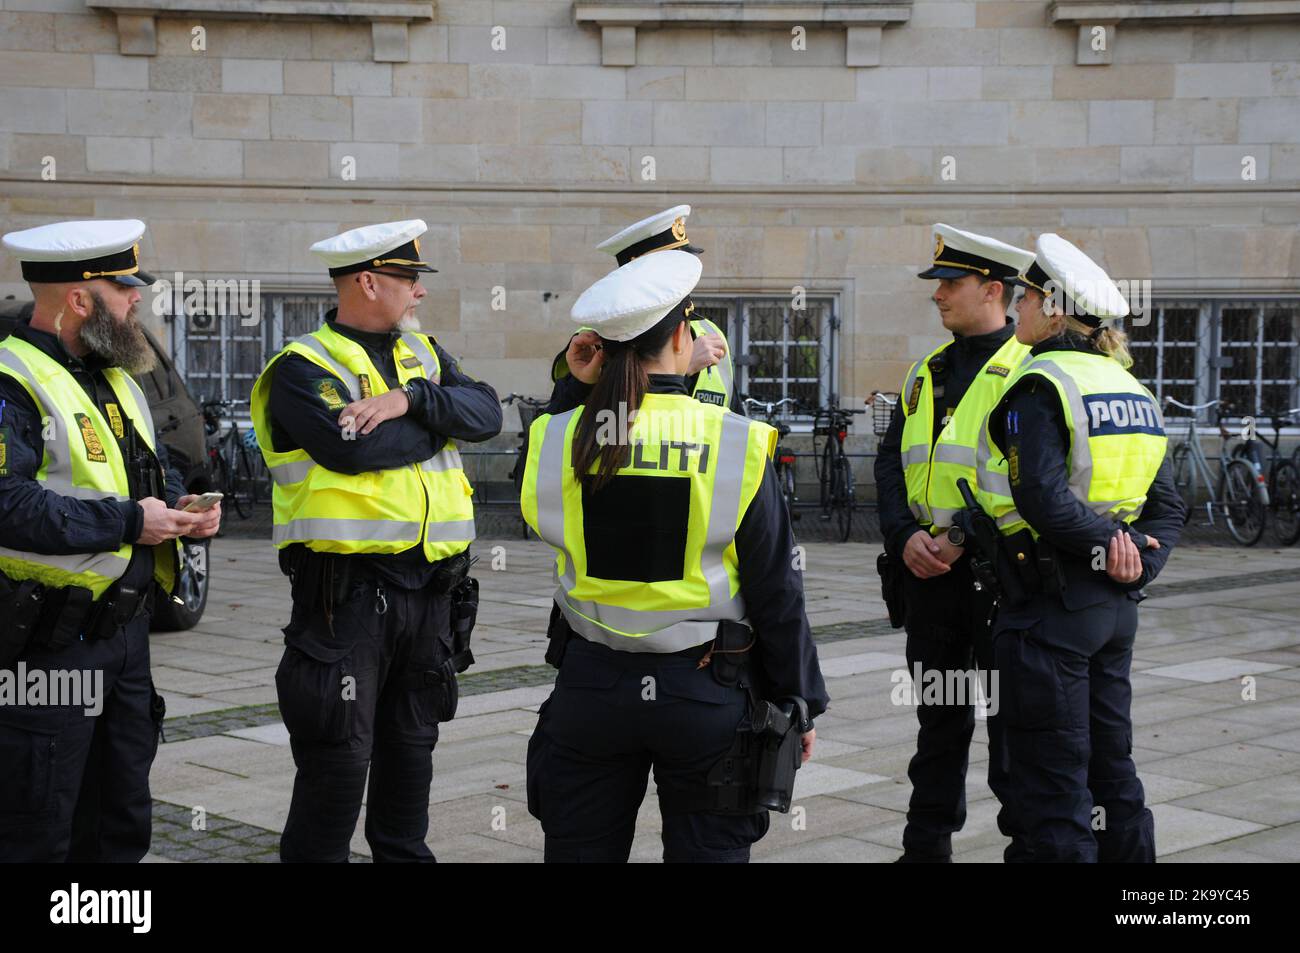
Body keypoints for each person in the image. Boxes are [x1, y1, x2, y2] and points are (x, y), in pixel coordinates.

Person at [520, 249, 828, 862]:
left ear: (602, 350)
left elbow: (541, 490)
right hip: (704, 690)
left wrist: (571, 389)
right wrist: (800, 699)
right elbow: (776, 587)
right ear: (682, 338)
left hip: (591, 687)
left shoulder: (559, 434)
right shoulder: (735, 440)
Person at [250, 219, 502, 862]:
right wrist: (437, 419)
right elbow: (352, 449)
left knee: (412, 747)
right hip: (347, 600)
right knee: (339, 757)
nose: (418, 293)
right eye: (409, 278)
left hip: (433, 593)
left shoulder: (425, 354)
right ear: (367, 281)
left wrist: (409, 399)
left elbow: (490, 414)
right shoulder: (302, 367)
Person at [0, 219, 220, 861]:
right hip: (46, 648)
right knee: (38, 827)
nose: (136, 300)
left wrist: (181, 508)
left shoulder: (117, 375)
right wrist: (128, 522)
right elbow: (7, 502)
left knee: (120, 820)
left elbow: (142, 474)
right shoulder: (12, 380)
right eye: (123, 288)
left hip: (125, 639)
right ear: (78, 299)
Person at [974, 233, 1186, 862]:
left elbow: (1038, 495)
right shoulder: (1131, 389)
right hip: (1113, 606)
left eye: (1027, 298)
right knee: (1112, 769)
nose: (1016, 311)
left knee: (1052, 782)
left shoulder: (1042, 383)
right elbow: (1169, 506)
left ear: (1057, 309)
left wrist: (1111, 543)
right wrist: (1137, 557)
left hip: (1050, 607)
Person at [873, 223, 1035, 862]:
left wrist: (963, 537)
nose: (937, 295)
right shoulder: (927, 371)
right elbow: (893, 462)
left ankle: (1025, 848)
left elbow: (1038, 480)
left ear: (992, 289)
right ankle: (925, 850)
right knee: (937, 728)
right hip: (930, 584)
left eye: (950, 283)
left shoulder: (1030, 370)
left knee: (1012, 735)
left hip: (1002, 584)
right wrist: (904, 534)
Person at [547, 205, 740, 415]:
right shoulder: (604, 335)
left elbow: (734, 424)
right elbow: (562, 424)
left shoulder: (709, 330)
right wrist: (679, 373)